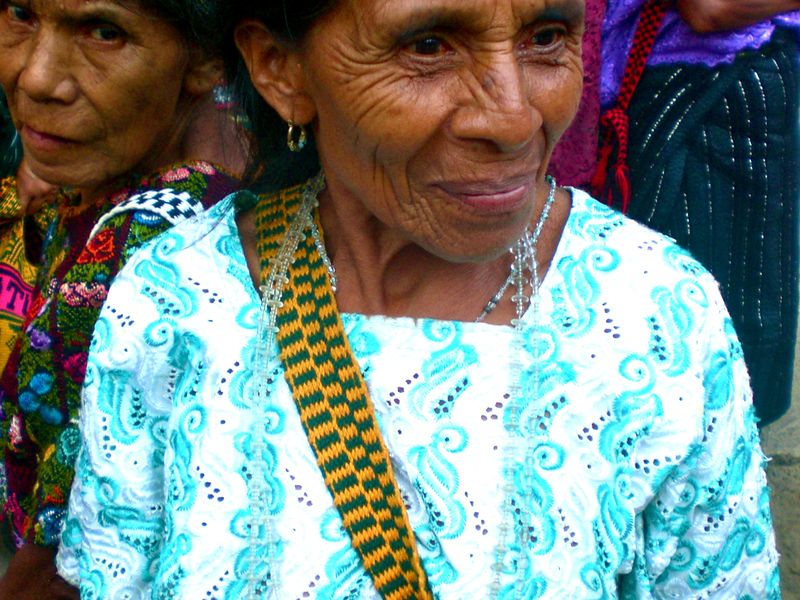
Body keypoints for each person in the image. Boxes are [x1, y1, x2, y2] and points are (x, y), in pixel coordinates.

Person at [57, 0, 779, 597]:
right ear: (281, 70)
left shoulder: (657, 313)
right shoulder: (174, 302)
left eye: (548, 36)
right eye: (429, 44)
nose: (513, 118)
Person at [0, 0, 245, 597]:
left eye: (105, 32)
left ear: (210, 60)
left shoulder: (157, 256)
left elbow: (62, 560)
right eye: (20, 13)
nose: (36, 77)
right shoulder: (97, 183)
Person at [595, 0, 800, 426]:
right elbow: (711, 8)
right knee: (695, 321)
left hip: (722, 83)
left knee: (736, 311)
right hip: (702, 88)